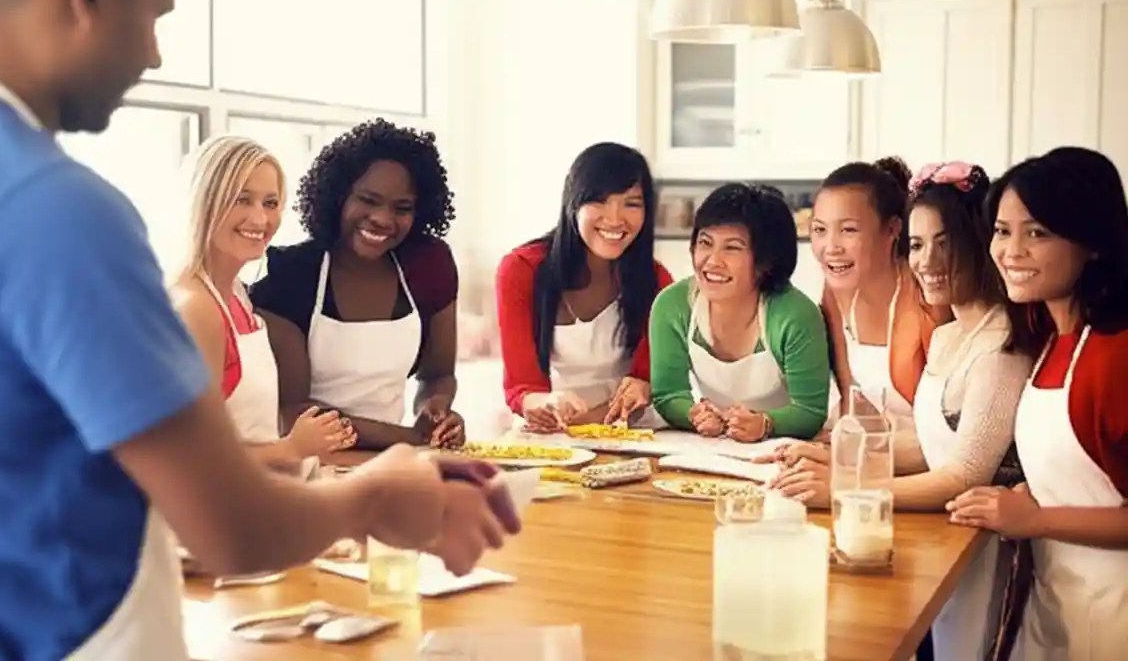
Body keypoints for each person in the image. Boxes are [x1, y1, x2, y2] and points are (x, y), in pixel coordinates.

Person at [0, 0, 518, 658]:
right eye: (155, 14)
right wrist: (380, 494)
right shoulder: (56, 211)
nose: (155, 54)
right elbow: (229, 525)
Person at [769, 161, 1042, 659]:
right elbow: (930, 443)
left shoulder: (1003, 346)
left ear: (982, 243)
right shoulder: (951, 336)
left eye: (946, 242)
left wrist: (843, 489)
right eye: (918, 246)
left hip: (990, 554)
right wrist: (834, 458)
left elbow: (962, 473)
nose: (928, 261)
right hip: (947, 542)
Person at [946, 147, 1128, 661]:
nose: (1011, 251)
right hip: (1056, 602)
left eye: (1038, 233)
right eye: (1002, 231)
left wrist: (1036, 518)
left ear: (1092, 242)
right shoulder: (1049, 339)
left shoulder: (1116, 356)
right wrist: (1034, 492)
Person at [250, 118, 465, 450]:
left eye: (402, 208)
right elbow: (292, 411)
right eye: (368, 199)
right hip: (311, 466)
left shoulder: (429, 266)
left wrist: (434, 412)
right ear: (338, 197)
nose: (382, 218)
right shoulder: (291, 276)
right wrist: (405, 438)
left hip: (392, 463)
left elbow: (437, 374)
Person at [170, 135, 354, 464]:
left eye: (270, 203)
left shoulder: (237, 295)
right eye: (242, 199)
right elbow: (191, 459)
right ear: (206, 202)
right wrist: (293, 448)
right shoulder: (196, 308)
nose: (260, 219)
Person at [495, 142, 673, 432]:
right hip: (549, 426)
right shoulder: (521, 270)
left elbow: (647, 385)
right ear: (573, 202)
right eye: (599, 201)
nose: (615, 219)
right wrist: (544, 405)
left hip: (629, 428)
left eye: (631, 203)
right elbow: (521, 388)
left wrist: (590, 420)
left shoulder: (657, 282)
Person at [649, 183, 830, 441]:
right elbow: (668, 394)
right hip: (713, 451)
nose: (712, 261)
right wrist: (695, 415)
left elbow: (810, 411)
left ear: (766, 262)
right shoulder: (672, 305)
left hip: (783, 456)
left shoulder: (796, 315)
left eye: (732, 248)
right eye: (705, 243)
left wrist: (766, 424)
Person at [809, 157, 951, 468]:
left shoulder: (931, 298)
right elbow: (850, 401)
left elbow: (951, 438)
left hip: (926, 469)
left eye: (848, 230)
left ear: (892, 230)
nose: (830, 247)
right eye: (819, 229)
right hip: (867, 463)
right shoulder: (836, 290)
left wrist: (843, 457)